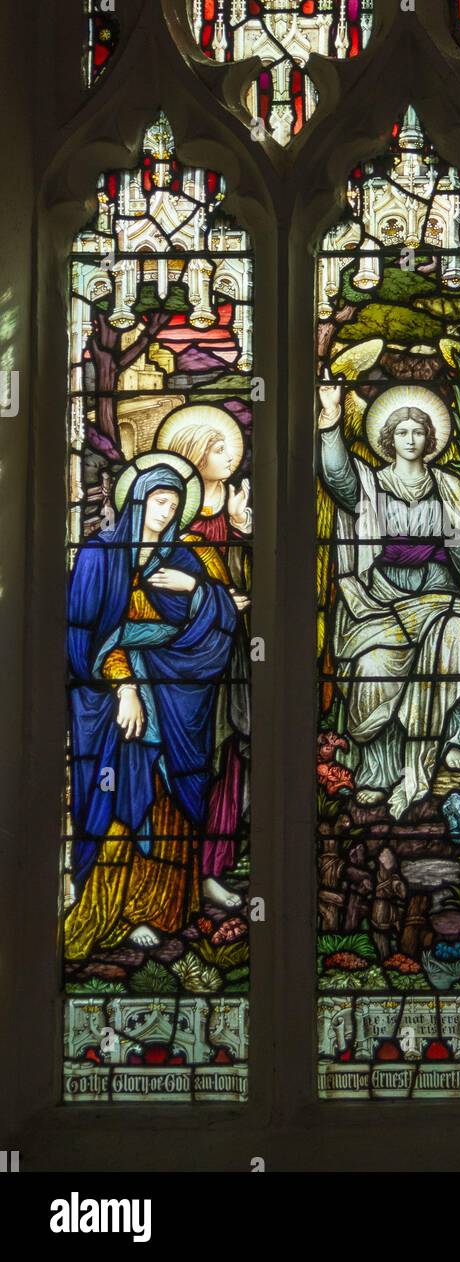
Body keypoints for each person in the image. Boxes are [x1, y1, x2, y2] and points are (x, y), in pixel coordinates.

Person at [64, 453, 238, 957]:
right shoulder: (99, 555)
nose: (164, 512)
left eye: (173, 504)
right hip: (116, 698)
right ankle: (116, 907)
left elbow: (221, 626)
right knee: (119, 788)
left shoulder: (189, 557)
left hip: (179, 695)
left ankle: (159, 907)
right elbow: (82, 636)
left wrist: (200, 590)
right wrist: (124, 683)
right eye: (158, 501)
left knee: (169, 801)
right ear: (136, 501)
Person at [317, 374, 460, 819]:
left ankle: (455, 745)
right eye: (402, 431)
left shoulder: (449, 488)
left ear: (431, 438)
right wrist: (330, 420)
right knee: (373, 666)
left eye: (419, 431)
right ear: (388, 439)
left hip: (440, 591)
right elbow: (337, 476)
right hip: (379, 599)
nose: (411, 438)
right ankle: (379, 770)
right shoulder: (370, 486)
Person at [155, 407, 251, 909]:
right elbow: (153, 588)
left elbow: (257, 584)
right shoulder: (170, 517)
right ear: (193, 455)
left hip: (234, 653)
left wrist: (242, 532)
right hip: (180, 663)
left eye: (227, 446)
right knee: (187, 763)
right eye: (216, 448)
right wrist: (207, 597)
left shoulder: (241, 508)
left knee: (229, 757)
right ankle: (181, 877)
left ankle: (215, 865)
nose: (229, 455)